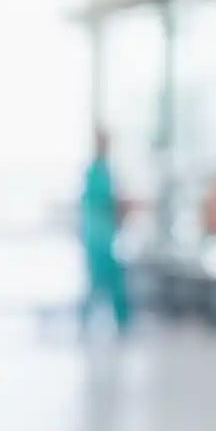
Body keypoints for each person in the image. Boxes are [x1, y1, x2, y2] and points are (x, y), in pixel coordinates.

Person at [79, 129, 132, 334]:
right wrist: (122, 207)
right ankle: (115, 322)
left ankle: (121, 323)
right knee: (102, 280)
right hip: (99, 236)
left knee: (106, 281)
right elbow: (106, 202)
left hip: (101, 234)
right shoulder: (96, 172)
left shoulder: (103, 171)